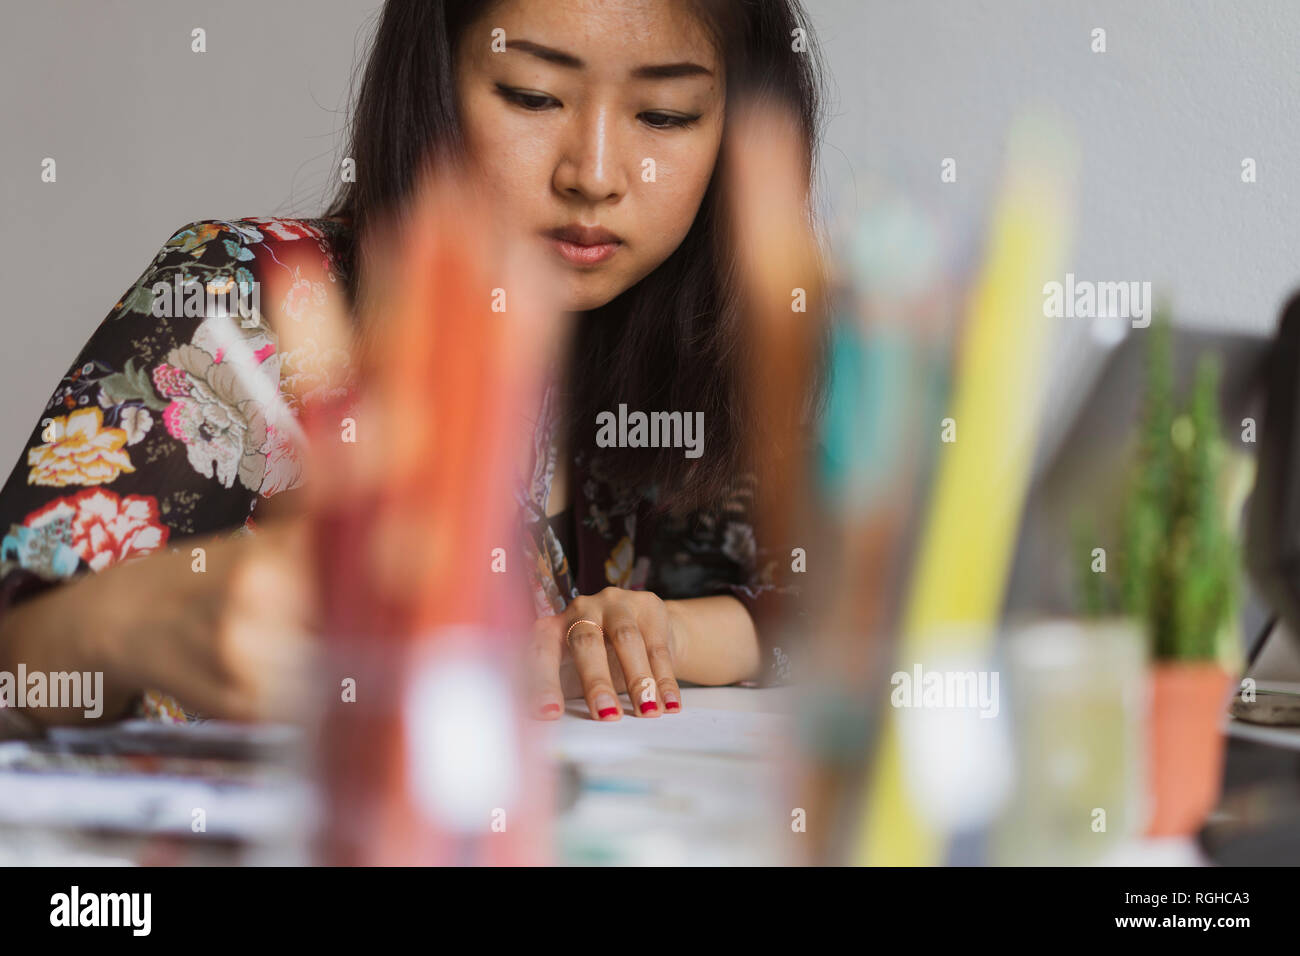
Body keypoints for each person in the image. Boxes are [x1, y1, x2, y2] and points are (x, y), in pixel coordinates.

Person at [0, 0, 827, 727]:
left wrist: (670, 631)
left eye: (667, 114)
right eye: (533, 96)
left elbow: (845, 615)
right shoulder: (246, 303)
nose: (594, 175)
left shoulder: (702, 354)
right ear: (432, 85)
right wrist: (114, 625)